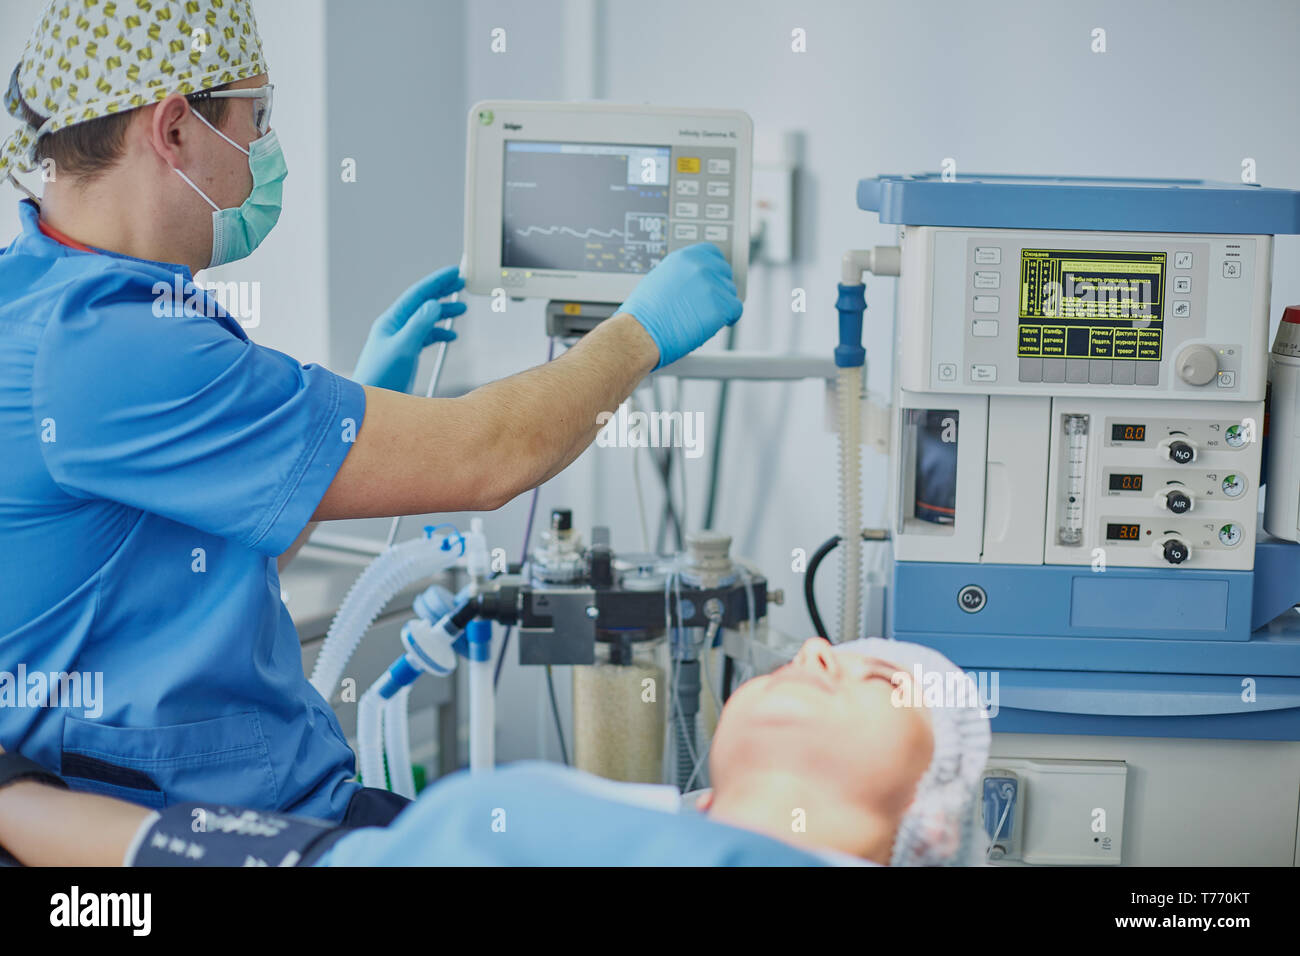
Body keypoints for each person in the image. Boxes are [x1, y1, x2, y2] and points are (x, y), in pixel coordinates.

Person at [0, 0, 742, 825]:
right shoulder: (108, 344)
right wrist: (639, 332)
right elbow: (487, 455)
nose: (261, 149)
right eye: (256, 117)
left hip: (231, 794)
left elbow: (186, 574)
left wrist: (335, 423)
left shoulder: (47, 298)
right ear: (174, 129)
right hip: (197, 824)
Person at [0, 639, 991, 867]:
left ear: (930, 820)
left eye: (886, 679)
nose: (821, 649)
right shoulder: (552, 815)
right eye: (820, 647)